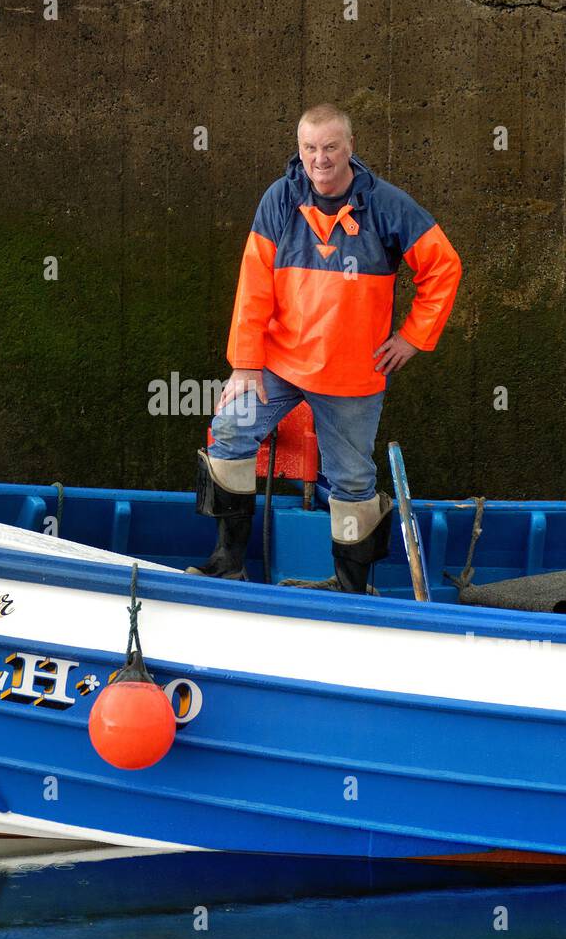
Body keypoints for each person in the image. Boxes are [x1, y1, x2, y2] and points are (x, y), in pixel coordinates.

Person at [186, 102, 463, 592]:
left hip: (352, 374)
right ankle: (227, 564)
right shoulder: (279, 199)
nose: (321, 159)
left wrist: (413, 337)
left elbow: (444, 267)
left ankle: (352, 590)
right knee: (230, 433)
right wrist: (245, 366)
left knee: (353, 481)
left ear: (350, 148)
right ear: (299, 150)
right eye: (310, 148)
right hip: (279, 363)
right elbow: (254, 286)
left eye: (331, 147)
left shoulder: (388, 205)